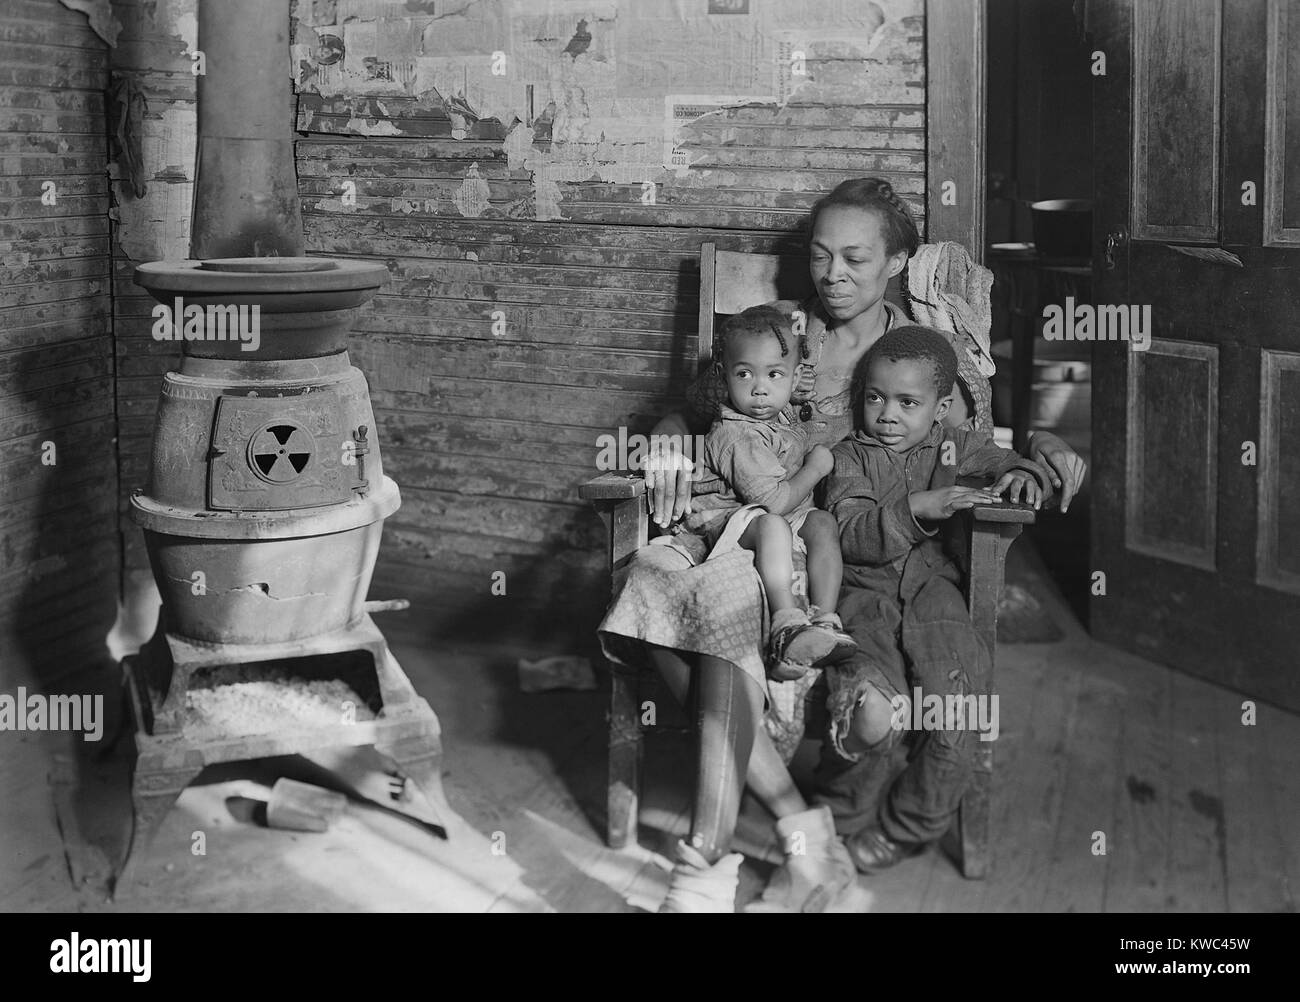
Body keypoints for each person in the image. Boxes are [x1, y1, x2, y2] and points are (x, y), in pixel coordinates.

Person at [597, 177, 1087, 912]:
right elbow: (698, 408)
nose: (833, 275)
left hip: (832, 557)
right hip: (746, 529)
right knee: (653, 589)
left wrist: (1045, 439)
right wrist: (666, 442)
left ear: (895, 263)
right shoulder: (784, 335)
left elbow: (973, 445)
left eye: (856, 259)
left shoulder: (915, 352)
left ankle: (723, 854)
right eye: (822, 256)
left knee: (718, 620)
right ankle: (800, 835)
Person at [820, 324, 1051, 870]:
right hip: (864, 597)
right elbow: (849, 531)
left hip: (935, 593)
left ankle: (910, 825)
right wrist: (919, 507)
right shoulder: (849, 456)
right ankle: (841, 816)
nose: (887, 415)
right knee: (871, 706)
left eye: (908, 402)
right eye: (875, 397)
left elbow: (1002, 460)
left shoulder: (956, 445)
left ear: (942, 407)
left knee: (957, 704)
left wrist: (1022, 473)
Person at [683, 304, 857, 680]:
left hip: (777, 511)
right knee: (773, 526)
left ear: (795, 381)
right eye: (744, 374)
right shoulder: (736, 434)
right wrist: (816, 467)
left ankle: (824, 622)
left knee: (824, 523)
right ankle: (786, 623)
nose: (760, 389)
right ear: (723, 377)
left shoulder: (778, 413)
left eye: (774, 375)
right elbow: (774, 502)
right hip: (727, 519)